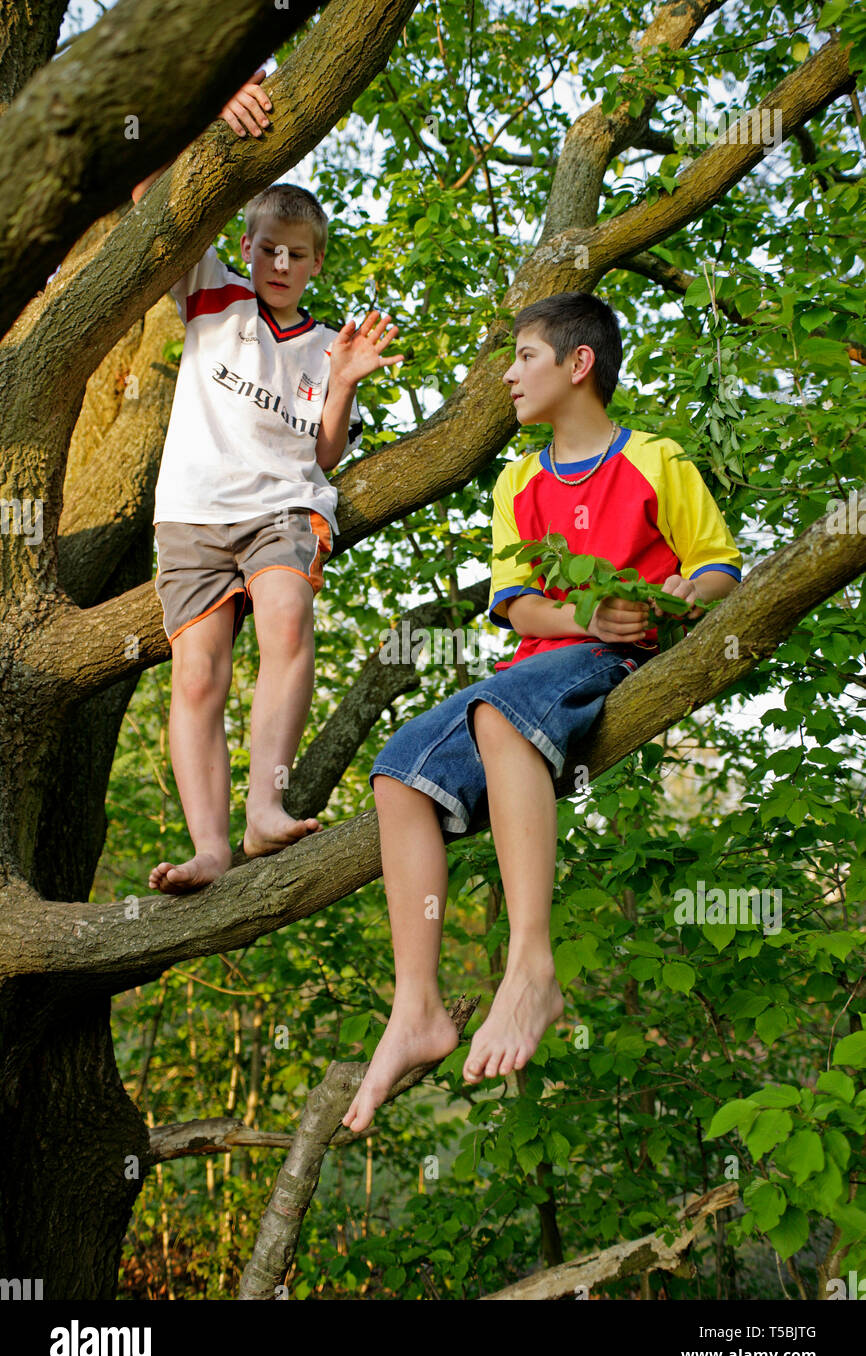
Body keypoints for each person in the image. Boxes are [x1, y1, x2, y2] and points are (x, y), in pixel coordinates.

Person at [342, 291, 742, 1132]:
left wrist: (675, 597)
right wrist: (579, 618)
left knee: (496, 716)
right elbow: (518, 606)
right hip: (538, 662)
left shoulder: (658, 462)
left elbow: (719, 571)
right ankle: (414, 1008)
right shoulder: (518, 481)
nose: (510, 375)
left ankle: (531, 967)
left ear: (578, 363)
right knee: (400, 768)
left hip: (615, 659)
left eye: (525, 357)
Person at [132, 70, 403, 893]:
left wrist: (350, 378)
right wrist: (215, 117)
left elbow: (324, 456)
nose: (280, 262)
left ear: (317, 261)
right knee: (198, 674)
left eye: (297, 252)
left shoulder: (331, 342)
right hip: (191, 513)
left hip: (282, 508)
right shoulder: (212, 293)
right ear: (247, 247)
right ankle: (211, 846)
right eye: (267, 247)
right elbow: (153, 193)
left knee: (286, 617)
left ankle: (266, 810)